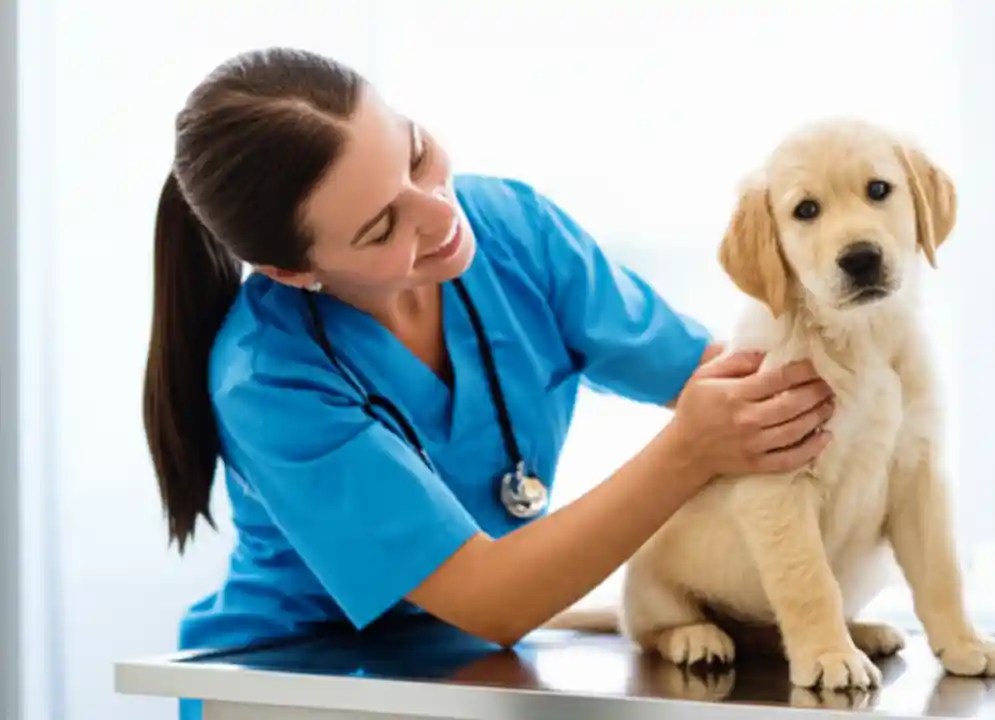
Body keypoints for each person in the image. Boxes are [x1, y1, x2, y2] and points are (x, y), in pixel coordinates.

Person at [143, 47, 835, 718]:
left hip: (458, 662)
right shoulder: (268, 380)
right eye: (384, 227)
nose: (442, 215)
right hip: (290, 684)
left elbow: (714, 378)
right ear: (295, 272)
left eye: (416, 155)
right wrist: (690, 451)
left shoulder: (512, 229)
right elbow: (493, 600)